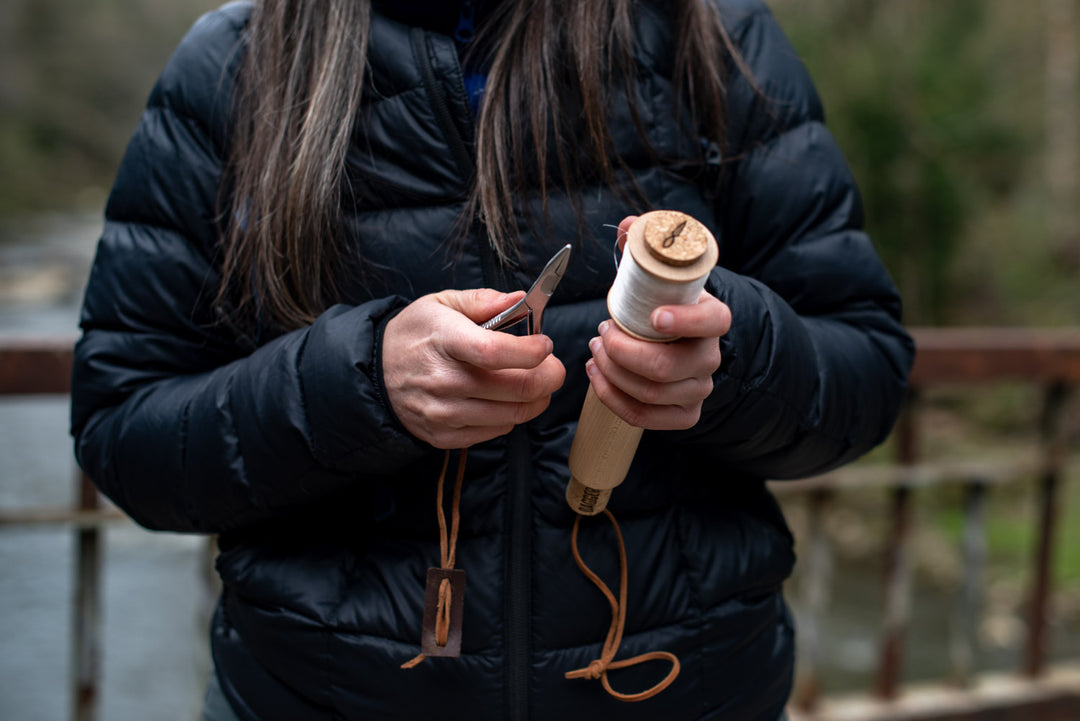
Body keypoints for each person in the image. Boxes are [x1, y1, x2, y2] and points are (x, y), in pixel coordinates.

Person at [69, 0, 913, 719]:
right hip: (313, 696)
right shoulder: (232, 64)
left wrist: (734, 361)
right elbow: (126, 432)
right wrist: (358, 385)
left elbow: (867, 375)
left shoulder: (714, 37)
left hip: (690, 690)